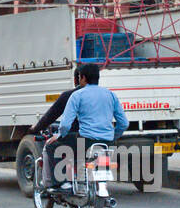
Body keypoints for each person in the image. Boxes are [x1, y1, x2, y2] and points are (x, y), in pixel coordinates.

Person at [46, 62, 126, 191]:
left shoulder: (77, 95)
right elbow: (124, 123)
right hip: (107, 142)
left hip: (85, 141)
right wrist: (113, 136)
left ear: (83, 78)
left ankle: (62, 183)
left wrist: (59, 135)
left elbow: (65, 124)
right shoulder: (111, 95)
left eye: (79, 78)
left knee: (52, 146)